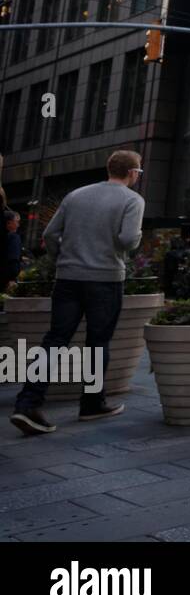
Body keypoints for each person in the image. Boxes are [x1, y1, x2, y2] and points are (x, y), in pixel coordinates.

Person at [10, 151, 145, 435]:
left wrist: (63, 259)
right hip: (105, 280)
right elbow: (129, 240)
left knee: (55, 339)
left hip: (68, 278)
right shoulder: (132, 200)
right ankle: (92, 403)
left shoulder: (77, 195)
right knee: (98, 343)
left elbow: (49, 234)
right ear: (132, 173)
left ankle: (27, 404)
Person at [2, 209, 22, 291]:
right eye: (16, 222)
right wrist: (12, 278)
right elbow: (13, 259)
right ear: (9, 223)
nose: (18, 225)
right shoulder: (13, 237)